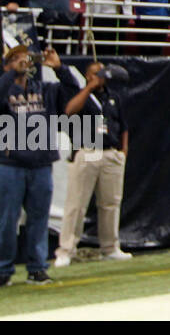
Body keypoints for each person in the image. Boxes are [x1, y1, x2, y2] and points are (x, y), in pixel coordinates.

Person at [53, 56, 132, 267]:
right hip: (88, 150)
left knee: (110, 203)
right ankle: (66, 250)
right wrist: (89, 88)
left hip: (110, 152)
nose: (102, 78)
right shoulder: (83, 95)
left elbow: (123, 125)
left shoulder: (113, 97)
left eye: (103, 74)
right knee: (76, 204)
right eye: (98, 74)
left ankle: (110, 247)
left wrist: (123, 151)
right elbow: (69, 110)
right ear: (89, 76)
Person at [0, 44, 61, 285]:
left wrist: (61, 68)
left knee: (39, 219)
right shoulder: (6, 87)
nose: (23, 61)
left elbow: (69, 95)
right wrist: (10, 74)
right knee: (7, 219)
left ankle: (37, 268)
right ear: (7, 64)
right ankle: (4, 269)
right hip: (10, 162)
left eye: (25, 58)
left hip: (41, 163)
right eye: (16, 58)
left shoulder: (42, 88)